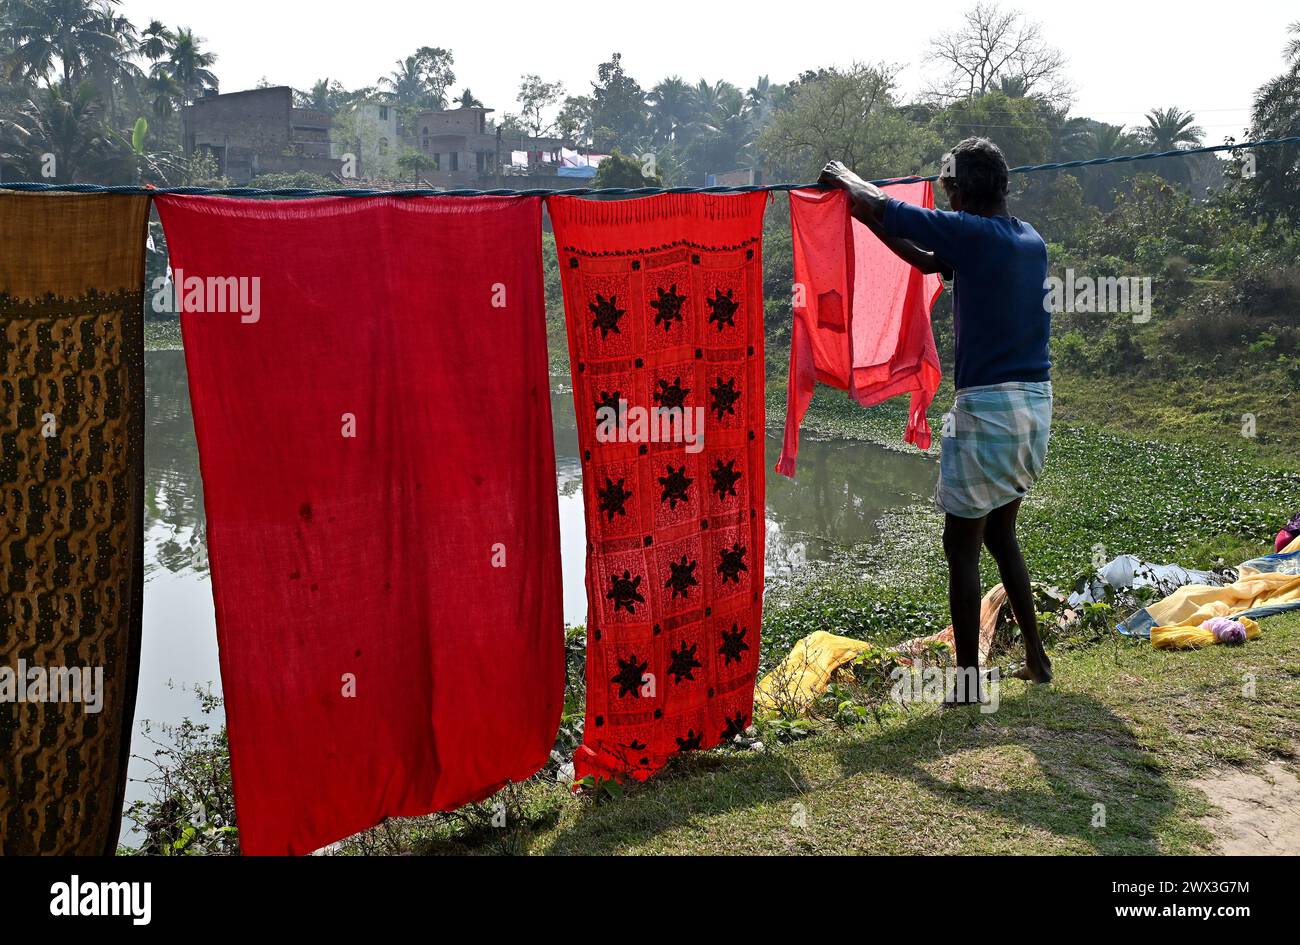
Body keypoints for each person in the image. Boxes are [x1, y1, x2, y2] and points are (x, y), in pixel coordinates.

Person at [819, 137, 1053, 704]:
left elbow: (892, 210)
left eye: (948, 192)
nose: (945, 203)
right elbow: (926, 259)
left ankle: (969, 686)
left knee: (961, 548)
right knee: (1002, 534)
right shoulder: (1028, 241)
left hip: (989, 411)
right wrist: (862, 213)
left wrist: (845, 177)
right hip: (1035, 407)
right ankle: (1038, 659)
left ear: (961, 194)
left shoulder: (972, 234)